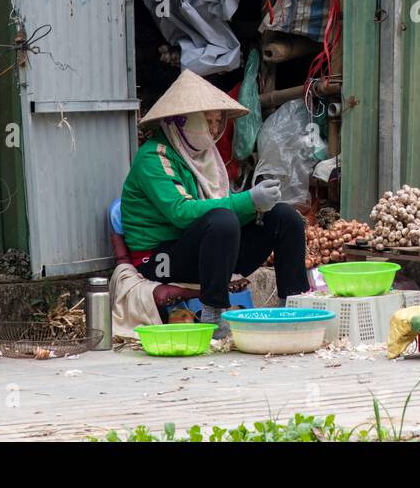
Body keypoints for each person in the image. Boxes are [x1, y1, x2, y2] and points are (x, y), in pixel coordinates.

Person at [121, 69, 308, 337]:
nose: (214, 129)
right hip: (159, 257)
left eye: (217, 121)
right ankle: (213, 316)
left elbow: (220, 208)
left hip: (208, 250)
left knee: (283, 217)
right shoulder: (152, 157)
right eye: (207, 121)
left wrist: (259, 205)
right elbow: (182, 214)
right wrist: (249, 199)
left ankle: (292, 307)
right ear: (181, 121)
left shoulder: (205, 156)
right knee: (223, 220)